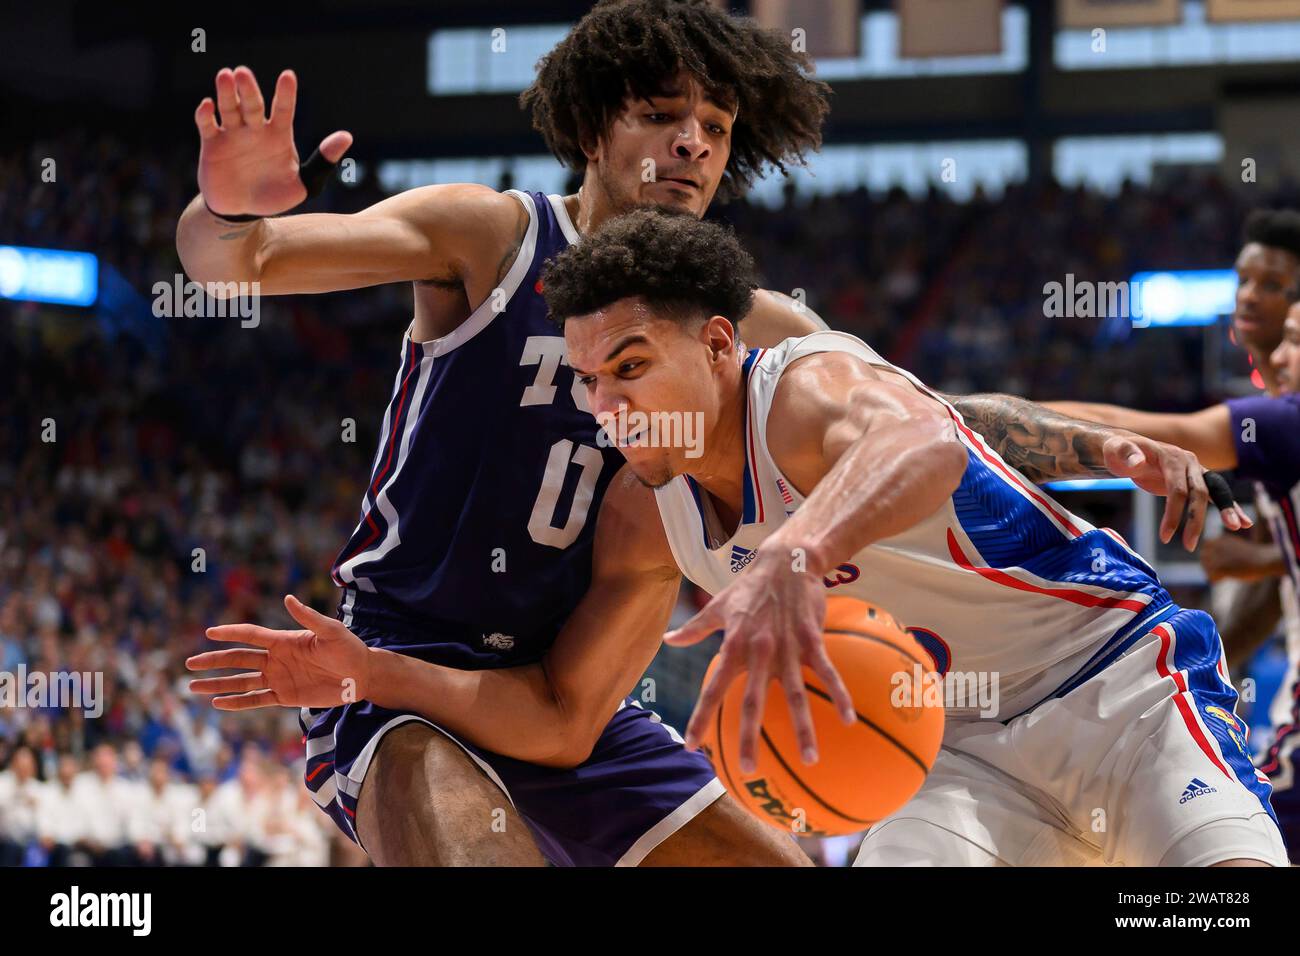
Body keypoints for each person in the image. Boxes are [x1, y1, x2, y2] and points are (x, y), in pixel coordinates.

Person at [180, 0, 1246, 867]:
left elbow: (929, 425)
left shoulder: (745, 321)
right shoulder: (489, 237)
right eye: (659, 115)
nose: (693, 143)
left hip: (573, 689)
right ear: (594, 127)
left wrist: (1096, 445)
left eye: (717, 129)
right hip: (401, 658)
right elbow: (241, 266)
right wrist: (229, 213)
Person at [537, 208, 1286, 866]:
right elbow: (568, 719)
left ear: (718, 344)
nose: (607, 405)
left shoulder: (805, 391)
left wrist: (799, 550)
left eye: (630, 366)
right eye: (590, 380)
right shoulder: (646, 515)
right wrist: (413, 678)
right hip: (947, 751)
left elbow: (930, 440)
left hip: (1114, 680)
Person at [1043, 300, 1300, 860]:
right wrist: (1263, 562)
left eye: (1295, 342)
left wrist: (984, 423)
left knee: (1237, 832)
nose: (1278, 355)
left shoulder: (1286, 422)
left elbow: (1167, 432)